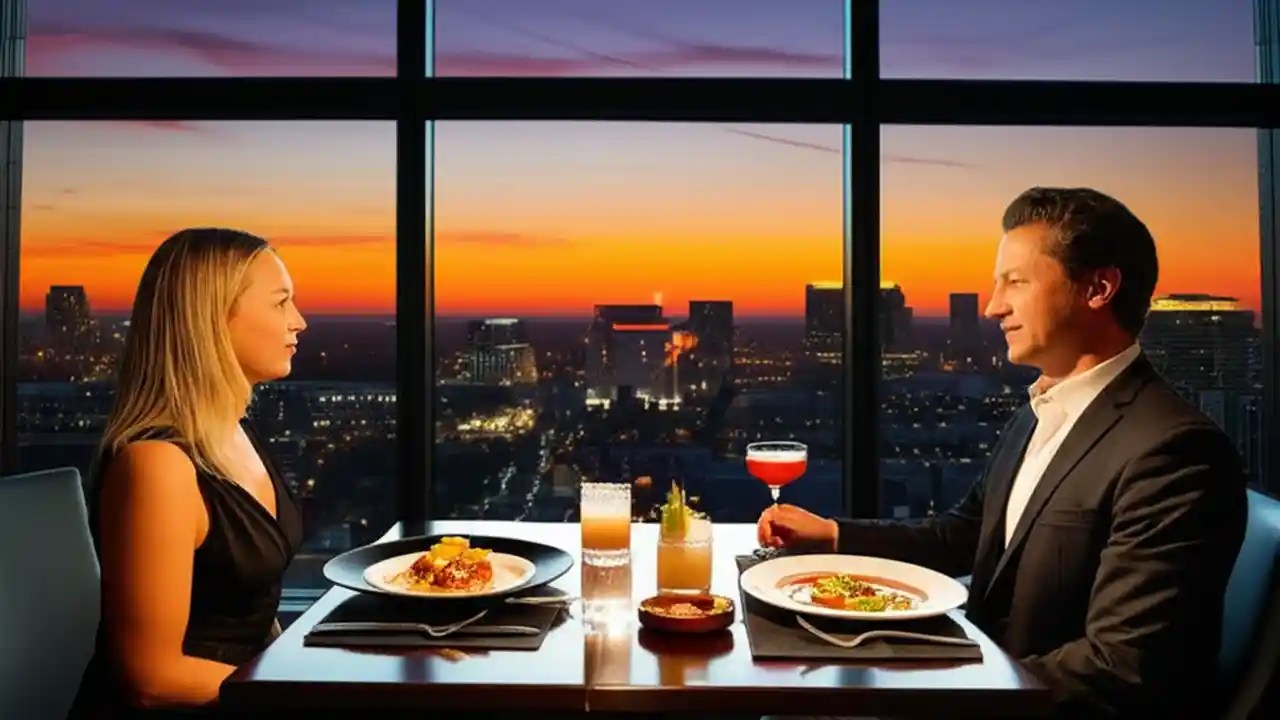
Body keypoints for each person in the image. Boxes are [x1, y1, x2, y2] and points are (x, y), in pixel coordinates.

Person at [758, 187, 1247, 719]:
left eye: (1016, 282)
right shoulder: (1040, 412)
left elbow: (1121, 669)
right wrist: (833, 535)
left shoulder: (1175, 452)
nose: (994, 306)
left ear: (1099, 288)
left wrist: (949, 694)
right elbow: (966, 535)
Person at [69, 228, 307, 716]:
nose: (298, 321)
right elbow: (153, 680)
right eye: (281, 302)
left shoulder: (236, 433)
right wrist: (311, 688)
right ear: (212, 321)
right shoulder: (157, 465)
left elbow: (252, 612)